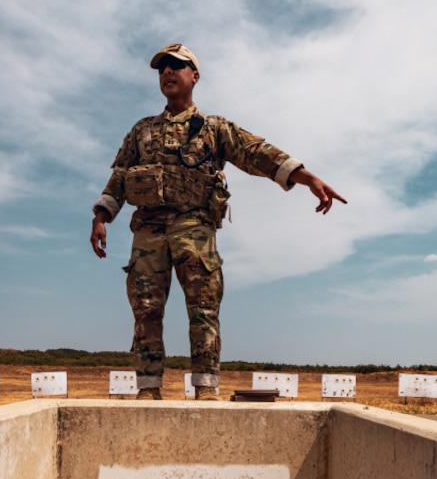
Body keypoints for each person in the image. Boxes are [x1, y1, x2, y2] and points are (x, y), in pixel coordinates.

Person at [90, 43, 346, 400]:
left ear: (194, 76)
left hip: (194, 226)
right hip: (148, 228)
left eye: (176, 65)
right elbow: (120, 175)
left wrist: (307, 178)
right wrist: (101, 217)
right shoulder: (141, 130)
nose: (167, 72)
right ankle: (148, 389)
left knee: (203, 308)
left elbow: (256, 153)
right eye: (162, 68)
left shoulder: (213, 128)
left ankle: (206, 388)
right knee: (145, 309)